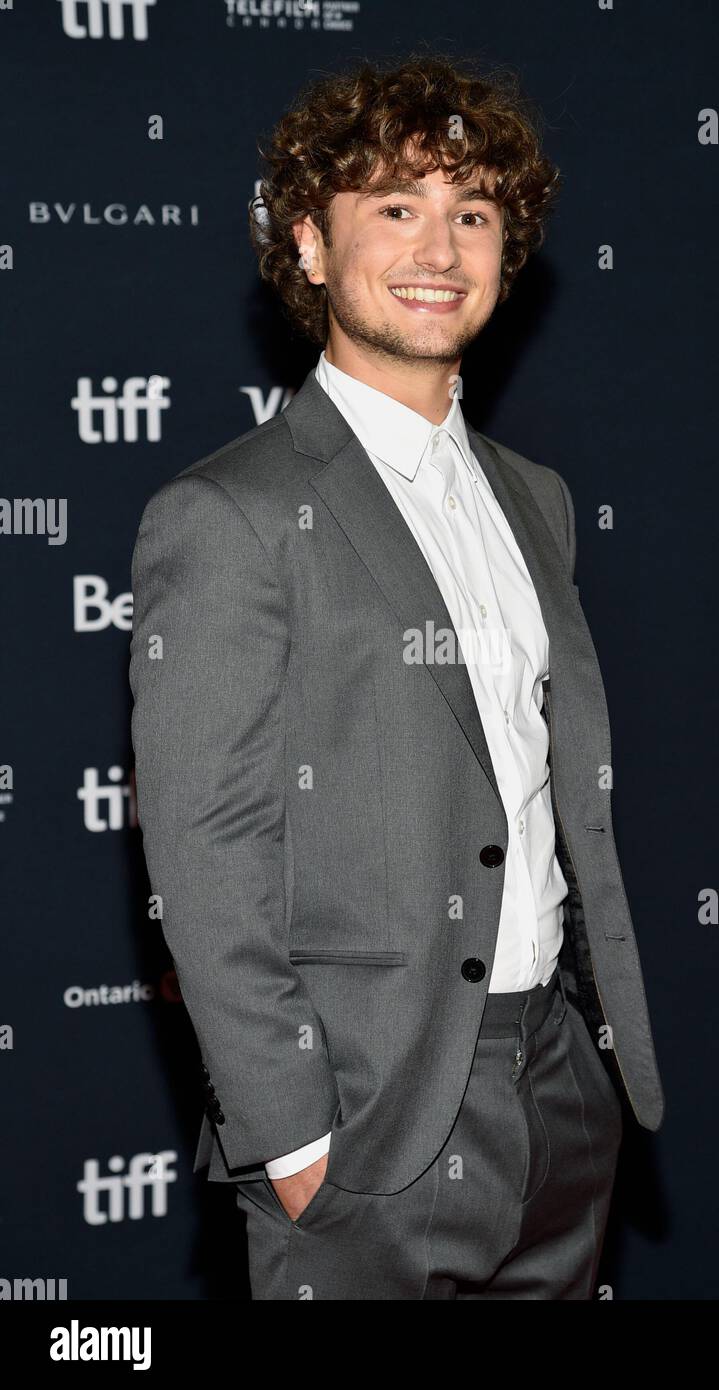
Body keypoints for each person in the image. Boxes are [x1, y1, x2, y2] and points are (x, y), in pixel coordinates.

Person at [129, 52, 664, 1301]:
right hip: (372, 1109)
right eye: (396, 207)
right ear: (310, 246)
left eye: (471, 213)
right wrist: (293, 1135)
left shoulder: (537, 500)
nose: (440, 246)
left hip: (561, 1084)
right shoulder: (229, 513)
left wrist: (581, 1048)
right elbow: (204, 845)